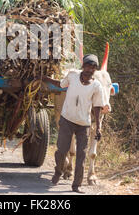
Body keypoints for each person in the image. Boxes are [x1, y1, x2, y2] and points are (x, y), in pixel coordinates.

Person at [42, 54, 110, 193]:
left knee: (81, 155)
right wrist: (46, 79)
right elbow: (61, 84)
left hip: (84, 124)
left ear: (95, 70)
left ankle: (76, 185)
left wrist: (98, 127)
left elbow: (97, 107)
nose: (90, 69)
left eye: (93, 67)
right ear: (83, 66)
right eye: (88, 66)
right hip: (67, 119)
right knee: (61, 150)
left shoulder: (97, 86)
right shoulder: (72, 75)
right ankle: (58, 171)